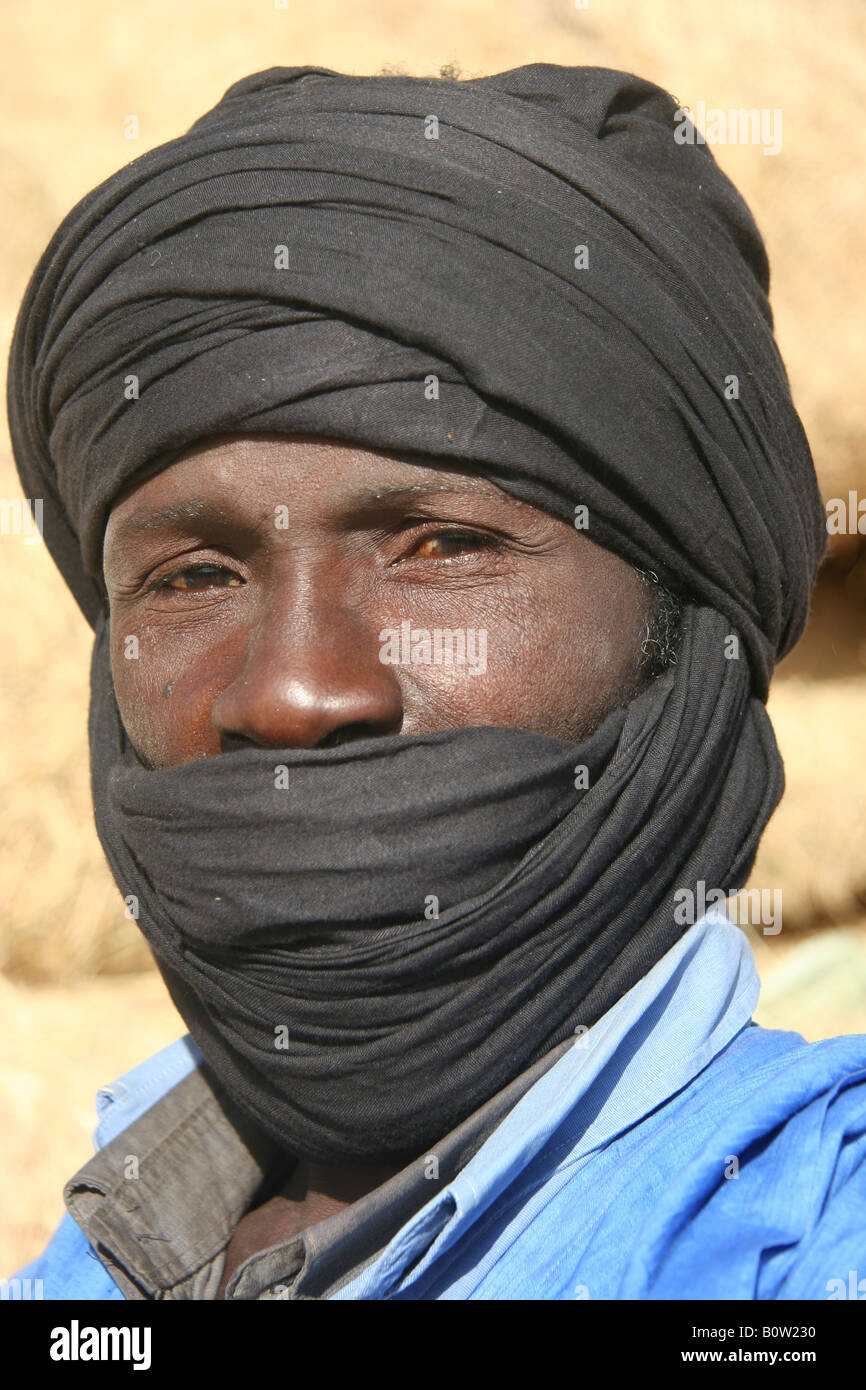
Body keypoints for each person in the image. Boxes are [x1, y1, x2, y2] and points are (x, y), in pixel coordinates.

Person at [6, 61, 865, 1302]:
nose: (296, 694)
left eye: (446, 547)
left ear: (684, 628)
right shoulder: (97, 1261)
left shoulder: (801, 1243)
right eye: (195, 575)